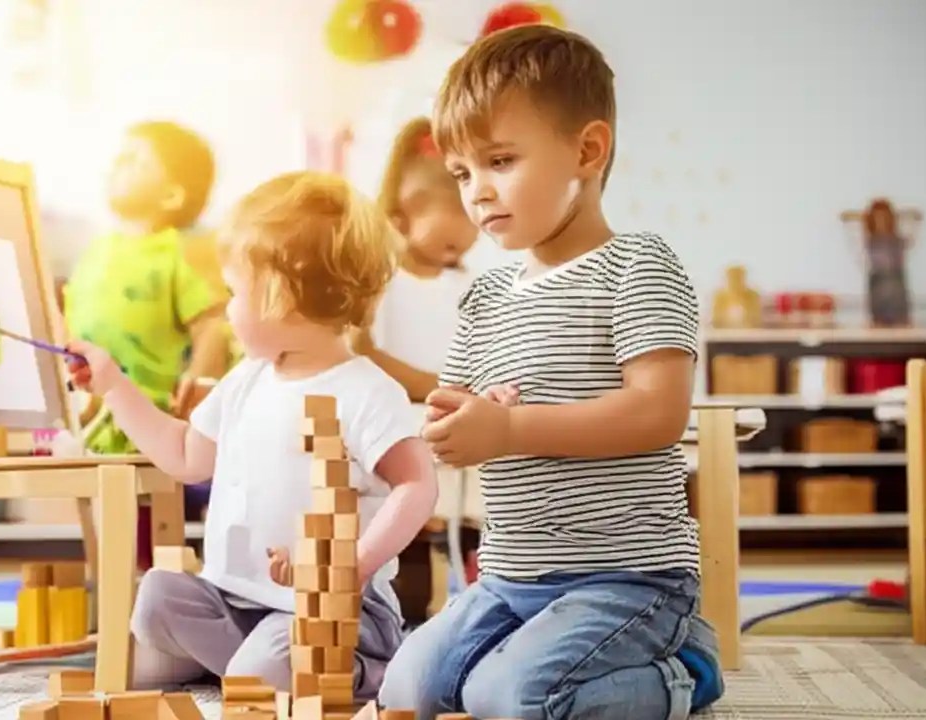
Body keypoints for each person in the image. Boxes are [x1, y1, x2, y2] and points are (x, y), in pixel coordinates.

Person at [378, 24, 725, 720]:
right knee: (405, 688)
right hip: (508, 577)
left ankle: (684, 672)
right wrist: (454, 423)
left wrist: (508, 426)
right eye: (462, 173)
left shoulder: (640, 265)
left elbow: (657, 413)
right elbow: (457, 407)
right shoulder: (484, 295)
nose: (476, 193)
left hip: (627, 578)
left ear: (587, 151)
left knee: (510, 697)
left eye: (500, 161)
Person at [66, 171, 439, 697]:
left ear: (281, 296)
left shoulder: (365, 391)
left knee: (259, 674)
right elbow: (185, 455)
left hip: (331, 611)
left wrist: (352, 567)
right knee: (155, 601)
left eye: (233, 292)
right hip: (235, 599)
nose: (225, 309)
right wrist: (112, 385)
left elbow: (417, 484)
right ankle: (247, 669)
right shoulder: (247, 379)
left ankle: (366, 672)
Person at [63, 120, 230, 455]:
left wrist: (199, 389)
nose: (116, 166)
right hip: (86, 422)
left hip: (152, 425)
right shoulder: (95, 251)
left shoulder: (179, 251)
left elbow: (212, 326)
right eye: (119, 157)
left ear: (171, 195)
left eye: (133, 161)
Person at [352, 116, 479, 403]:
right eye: (460, 214)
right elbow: (362, 356)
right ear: (408, 208)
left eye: (476, 221)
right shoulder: (379, 280)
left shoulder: (468, 286)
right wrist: (437, 389)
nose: (470, 234)